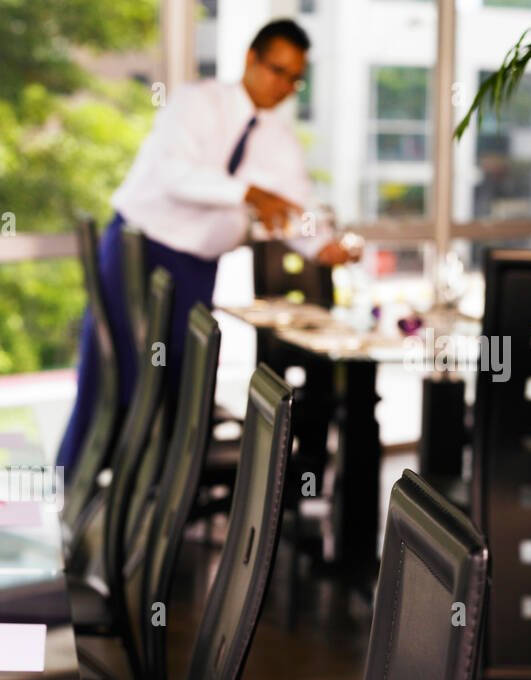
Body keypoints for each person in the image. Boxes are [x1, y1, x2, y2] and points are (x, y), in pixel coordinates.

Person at [56, 17, 359, 474]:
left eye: (295, 79)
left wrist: (324, 247)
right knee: (116, 380)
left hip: (197, 270)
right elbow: (175, 175)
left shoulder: (276, 135)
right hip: (140, 255)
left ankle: (152, 514)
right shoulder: (197, 102)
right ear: (250, 59)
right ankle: (76, 496)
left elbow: (295, 205)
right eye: (278, 71)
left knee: (181, 388)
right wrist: (249, 193)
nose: (285, 86)